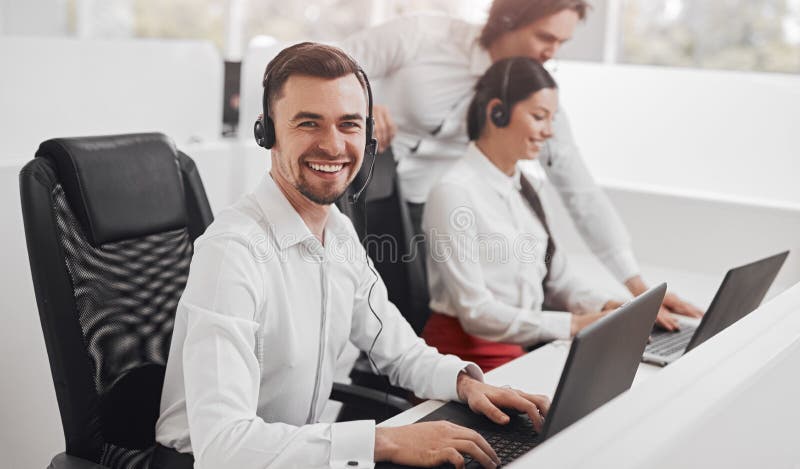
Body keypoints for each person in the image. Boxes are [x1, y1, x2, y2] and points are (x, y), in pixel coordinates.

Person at [154, 42, 551, 469]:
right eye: (309, 123)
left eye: (349, 125)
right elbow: (223, 446)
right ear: (266, 132)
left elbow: (399, 352)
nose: (333, 145)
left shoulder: (338, 232)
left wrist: (465, 384)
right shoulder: (233, 253)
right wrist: (385, 442)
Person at [341, 0, 702, 330]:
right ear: (509, 19)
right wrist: (360, 103)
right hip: (353, 195)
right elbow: (322, 66)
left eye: (561, 43)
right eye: (545, 37)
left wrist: (637, 285)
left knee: (407, 326)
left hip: (427, 212)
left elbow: (580, 191)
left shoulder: (533, 98)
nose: (551, 52)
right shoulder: (424, 34)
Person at [421, 57, 621, 371]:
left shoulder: (528, 189)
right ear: (496, 112)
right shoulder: (454, 193)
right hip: (464, 358)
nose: (549, 132)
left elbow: (558, 278)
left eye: (552, 119)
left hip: (518, 348)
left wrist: (607, 307)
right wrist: (573, 324)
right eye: (539, 117)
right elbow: (475, 312)